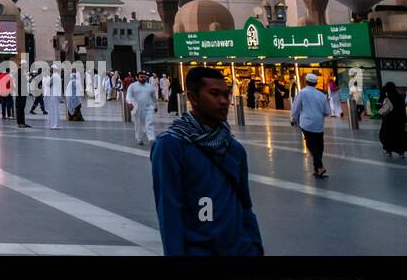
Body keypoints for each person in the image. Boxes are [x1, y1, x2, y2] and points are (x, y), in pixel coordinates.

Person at [150, 66, 263, 256]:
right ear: (193, 98)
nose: (223, 101)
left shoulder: (233, 148)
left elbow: (245, 205)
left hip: (239, 249)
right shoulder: (171, 146)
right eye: (214, 94)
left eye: (226, 95)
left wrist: (254, 245)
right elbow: (169, 211)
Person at [291, 72, 333, 178]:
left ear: (306, 82)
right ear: (316, 83)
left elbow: (296, 108)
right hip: (319, 124)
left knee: (311, 146)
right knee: (319, 146)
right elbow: (327, 112)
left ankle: (319, 167)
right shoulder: (321, 95)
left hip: (306, 124)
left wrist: (293, 118)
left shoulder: (302, 93)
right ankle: (318, 168)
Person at [126, 70, 158, 147]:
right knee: (138, 124)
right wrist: (130, 103)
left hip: (148, 108)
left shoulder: (150, 87)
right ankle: (139, 138)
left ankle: (151, 138)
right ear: (137, 78)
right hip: (137, 108)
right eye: (141, 77)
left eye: (144, 77)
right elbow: (128, 96)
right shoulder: (132, 86)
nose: (143, 78)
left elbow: (154, 98)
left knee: (149, 123)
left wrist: (156, 106)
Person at [378, 82, 406, 158]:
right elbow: (403, 108)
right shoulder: (398, 96)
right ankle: (401, 152)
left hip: (389, 121)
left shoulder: (386, 97)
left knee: (387, 135)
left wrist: (382, 94)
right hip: (399, 121)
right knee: (399, 136)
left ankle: (388, 151)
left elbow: (379, 106)